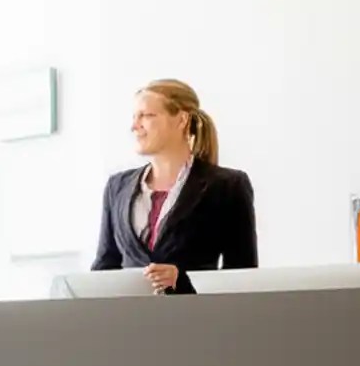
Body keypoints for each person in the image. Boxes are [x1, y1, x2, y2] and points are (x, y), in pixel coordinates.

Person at [92, 78, 258, 294]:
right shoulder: (117, 187)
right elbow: (105, 267)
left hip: (194, 321)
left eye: (147, 115)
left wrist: (182, 281)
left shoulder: (227, 186)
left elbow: (241, 277)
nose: (135, 126)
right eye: (134, 117)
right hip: (129, 322)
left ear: (181, 120)